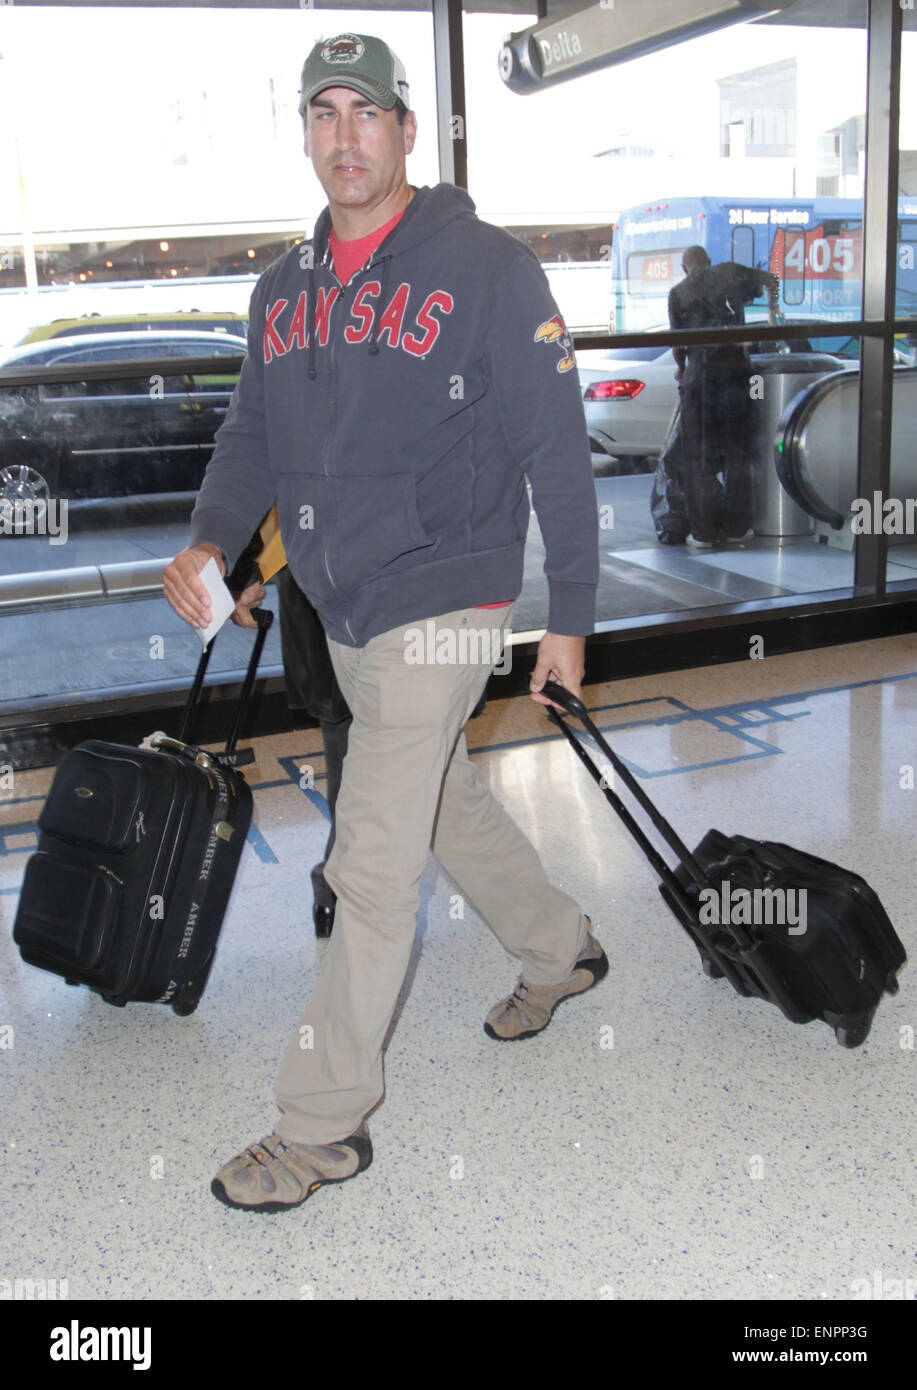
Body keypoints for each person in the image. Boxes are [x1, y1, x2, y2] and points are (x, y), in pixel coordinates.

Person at [163, 32, 604, 1213]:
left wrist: (569, 616)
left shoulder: (487, 270)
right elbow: (255, 435)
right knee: (439, 801)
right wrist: (219, 542)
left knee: (369, 857)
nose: (344, 134)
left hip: (449, 597)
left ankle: (318, 1127)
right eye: (323, 114)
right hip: (343, 600)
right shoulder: (283, 289)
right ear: (306, 134)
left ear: (407, 130)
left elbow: (555, 452)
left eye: (367, 112)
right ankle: (561, 948)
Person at [227, 519, 351, 938]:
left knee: (361, 753)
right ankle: (342, 883)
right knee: (351, 750)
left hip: (389, 578)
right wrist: (244, 573)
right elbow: (256, 471)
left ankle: (341, 883)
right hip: (331, 581)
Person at [667, 245, 780, 547]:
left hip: (700, 379)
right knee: (738, 454)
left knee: (698, 457)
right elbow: (770, 279)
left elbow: (678, 345)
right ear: (709, 261)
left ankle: (704, 531)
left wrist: (681, 369)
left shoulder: (678, 293)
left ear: (684, 268)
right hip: (736, 375)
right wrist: (773, 304)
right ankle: (737, 526)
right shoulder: (730, 272)